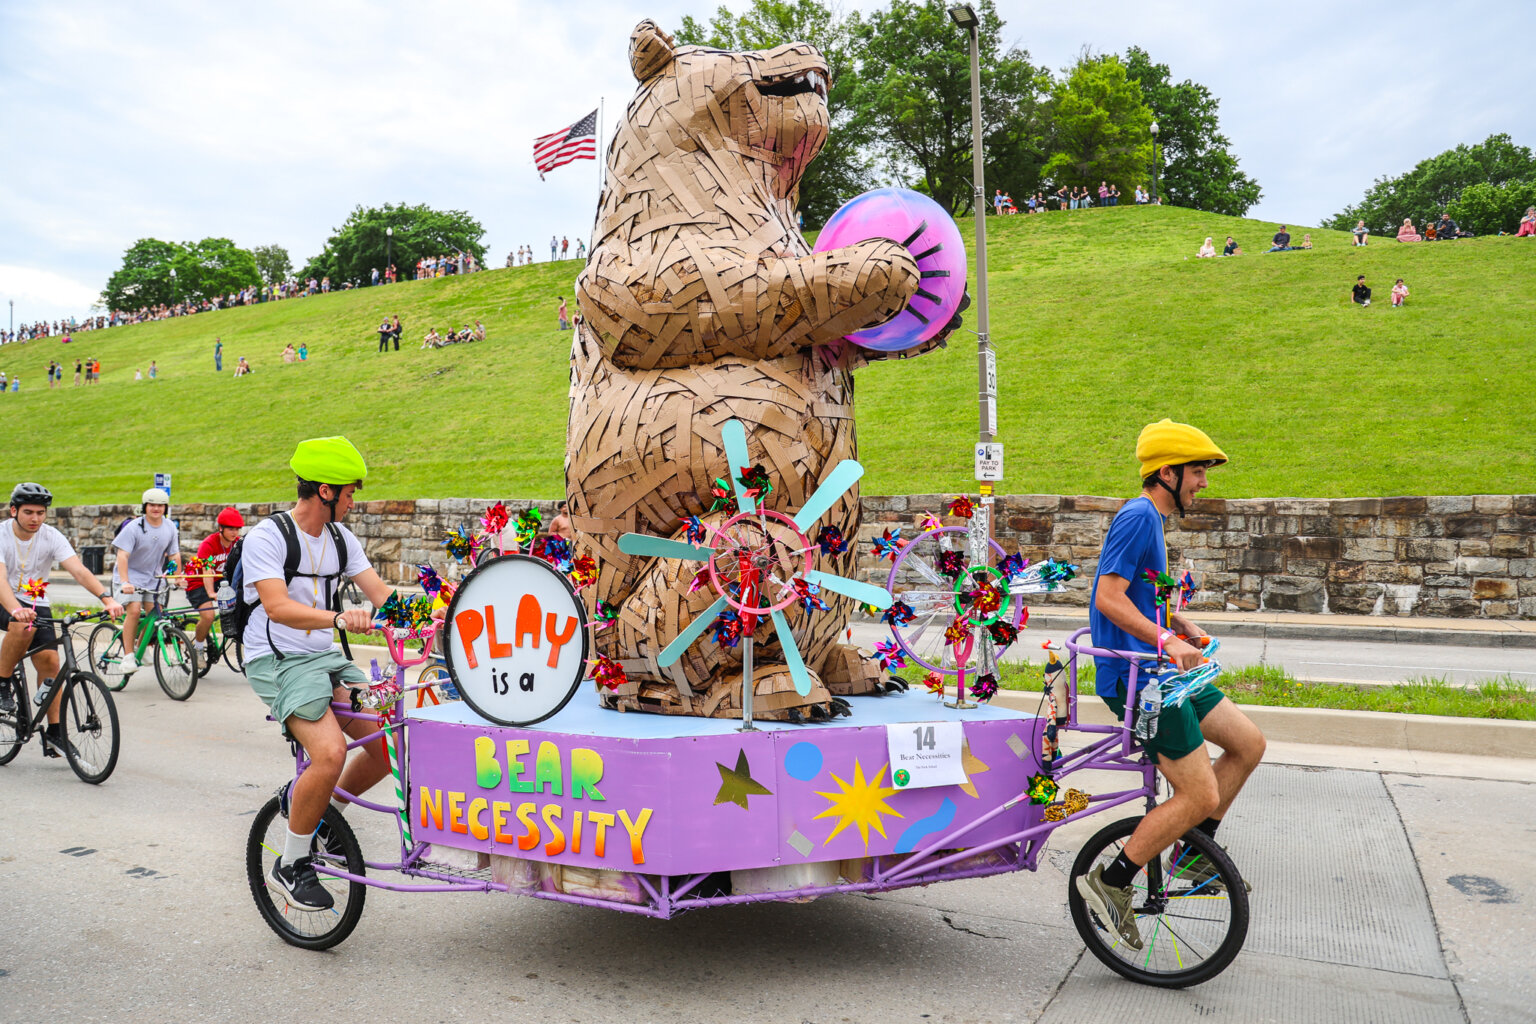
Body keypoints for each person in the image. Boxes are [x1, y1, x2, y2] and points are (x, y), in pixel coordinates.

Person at [1074, 421, 1265, 951]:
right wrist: (1164, 639)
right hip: (1139, 680)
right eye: (1198, 472)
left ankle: (1193, 856)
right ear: (1168, 472)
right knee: (1198, 791)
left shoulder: (1155, 519)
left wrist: (1174, 621)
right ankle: (1110, 882)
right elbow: (1108, 598)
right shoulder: (1139, 516)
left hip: (1164, 670)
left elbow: (1133, 593)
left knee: (1249, 744)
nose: (1204, 483)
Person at [245, 437, 401, 912]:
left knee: (386, 740)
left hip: (325, 659)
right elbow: (276, 606)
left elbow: (381, 594)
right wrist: (335, 619)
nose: (356, 500)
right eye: (351, 491)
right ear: (327, 491)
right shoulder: (267, 537)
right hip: (276, 661)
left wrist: (437, 618)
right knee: (330, 753)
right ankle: (292, 864)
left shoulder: (341, 539)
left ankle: (323, 817)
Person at [0, 483, 123, 749]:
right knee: (24, 626)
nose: (35, 519)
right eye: (29, 512)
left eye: (41, 513)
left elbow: (78, 571)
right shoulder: (1, 535)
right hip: (4, 597)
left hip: (34, 599)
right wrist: (15, 610)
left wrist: (106, 598)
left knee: (50, 664)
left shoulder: (51, 535)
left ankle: (55, 732)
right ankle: (2, 681)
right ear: (14, 511)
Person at [112, 487, 182, 678]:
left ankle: (140, 647)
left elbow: (174, 554)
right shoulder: (134, 528)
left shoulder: (169, 527)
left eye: (160, 505)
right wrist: (125, 581)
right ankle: (128, 656)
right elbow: (122, 555)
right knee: (134, 611)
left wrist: (177, 576)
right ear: (145, 507)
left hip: (153, 577)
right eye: (152, 505)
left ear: (165, 507)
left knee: (156, 615)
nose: (156, 509)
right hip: (130, 577)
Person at [187, 507, 244, 660]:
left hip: (220, 581)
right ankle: (198, 648)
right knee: (208, 616)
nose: (235, 533)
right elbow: (207, 570)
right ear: (221, 528)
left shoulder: (238, 543)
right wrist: (212, 593)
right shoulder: (209, 544)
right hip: (198, 583)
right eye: (231, 529)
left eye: (237, 529)